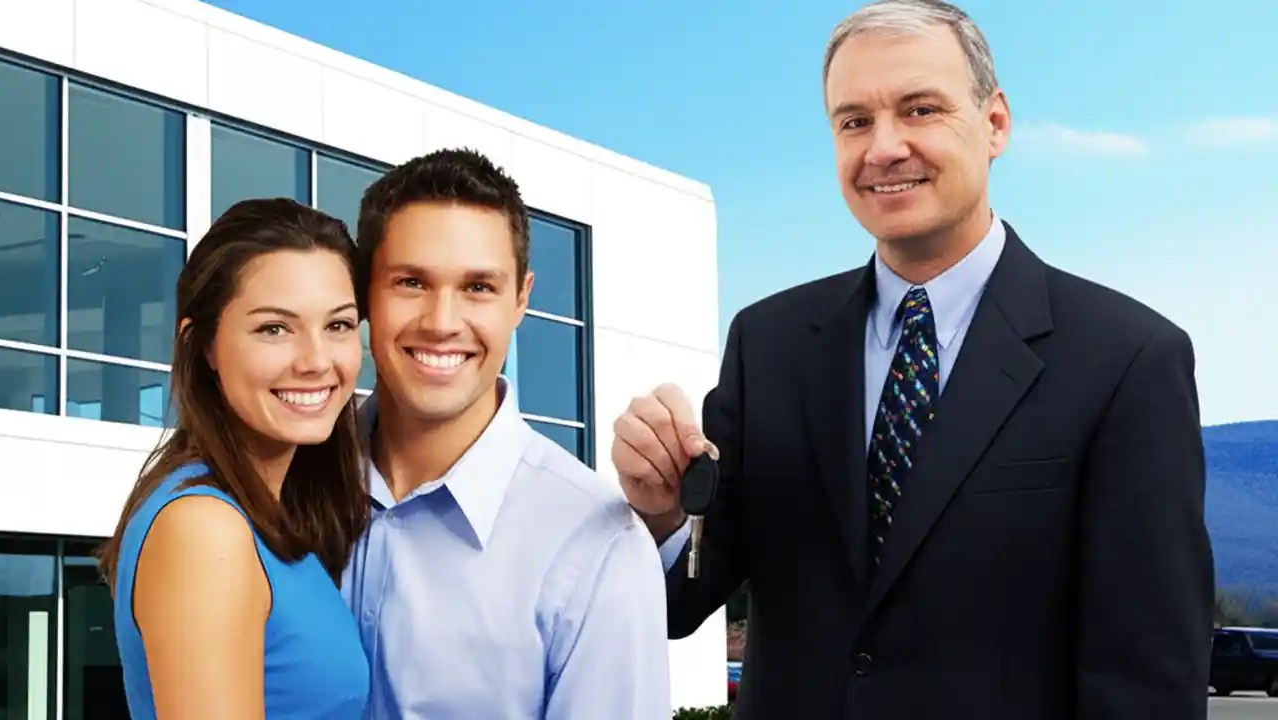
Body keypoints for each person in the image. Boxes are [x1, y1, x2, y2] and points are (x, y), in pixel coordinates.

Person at [611, 1, 1215, 718]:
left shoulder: (1127, 361)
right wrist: (659, 521)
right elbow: (683, 601)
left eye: (920, 109)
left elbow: (1149, 681)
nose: (883, 147)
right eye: (854, 121)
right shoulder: (767, 345)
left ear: (995, 123)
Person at [340, 148, 671, 719]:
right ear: (365, 293)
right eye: (411, 282)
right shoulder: (285, 480)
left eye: (478, 288)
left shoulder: (599, 549)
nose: (442, 322)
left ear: (521, 298)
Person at [97, 198, 371, 719]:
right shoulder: (205, 528)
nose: (316, 361)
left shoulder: (273, 518)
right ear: (203, 346)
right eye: (274, 329)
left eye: (337, 325)